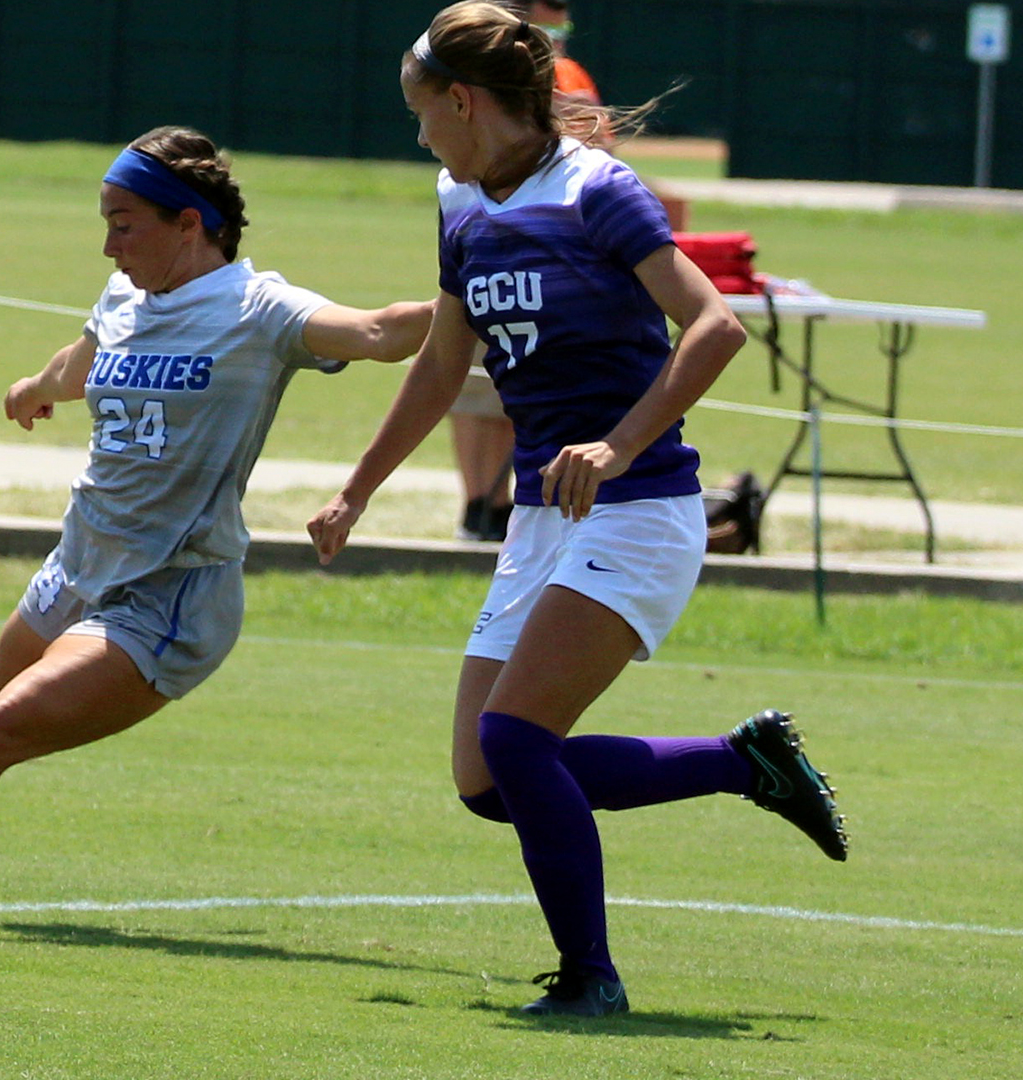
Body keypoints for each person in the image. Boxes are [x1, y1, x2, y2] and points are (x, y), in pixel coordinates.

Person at [307, 2, 847, 1017]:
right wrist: (357, 488)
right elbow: (440, 364)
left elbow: (717, 326)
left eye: (424, 114)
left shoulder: (599, 191)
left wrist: (621, 441)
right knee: (484, 779)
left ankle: (590, 978)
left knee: (517, 742)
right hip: (542, 519)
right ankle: (745, 762)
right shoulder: (458, 198)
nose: (420, 134)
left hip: (641, 509)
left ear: (465, 103)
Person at [0, 126, 435, 933]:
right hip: (74, 568)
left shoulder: (258, 309)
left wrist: (490, 284)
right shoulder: (124, 299)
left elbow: (380, 333)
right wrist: (32, 387)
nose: (108, 244)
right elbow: (79, 363)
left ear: (189, 224)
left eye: (124, 223)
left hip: (167, 596)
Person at [445, 0, 613, 544]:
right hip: (500, 248)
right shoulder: (491, 74)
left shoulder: (570, 75)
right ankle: (480, 505)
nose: (561, 19)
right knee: (475, 388)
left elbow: (597, 148)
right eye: (552, 9)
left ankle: (494, 506)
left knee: (507, 392)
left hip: (545, 254)